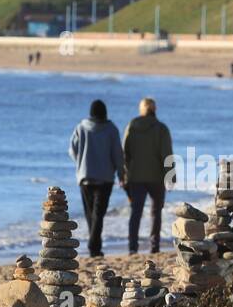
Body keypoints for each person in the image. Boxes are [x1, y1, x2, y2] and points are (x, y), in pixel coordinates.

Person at [68, 99, 124, 258]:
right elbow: (117, 155)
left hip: (85, 177)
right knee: (99, 214)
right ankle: (94, 246)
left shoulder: (81, 127)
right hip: (105, 178)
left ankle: (94, 245)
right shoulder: (111, 129)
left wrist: (81, 163)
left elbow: (72, 150)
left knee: (90, 213)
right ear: (105, 113)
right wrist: (121, 174)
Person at [122, 97, 173, 254]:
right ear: (154, 109)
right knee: (156, 212)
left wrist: (124, 175)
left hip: (135, 177)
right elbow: (167, 154)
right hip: (156, 177)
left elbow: (125, 153)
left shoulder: (132, 126)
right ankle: (154, 246)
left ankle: (132, 247)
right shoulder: (161, 128)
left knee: (135, 212)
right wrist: (170, 175)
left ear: (141, 109)